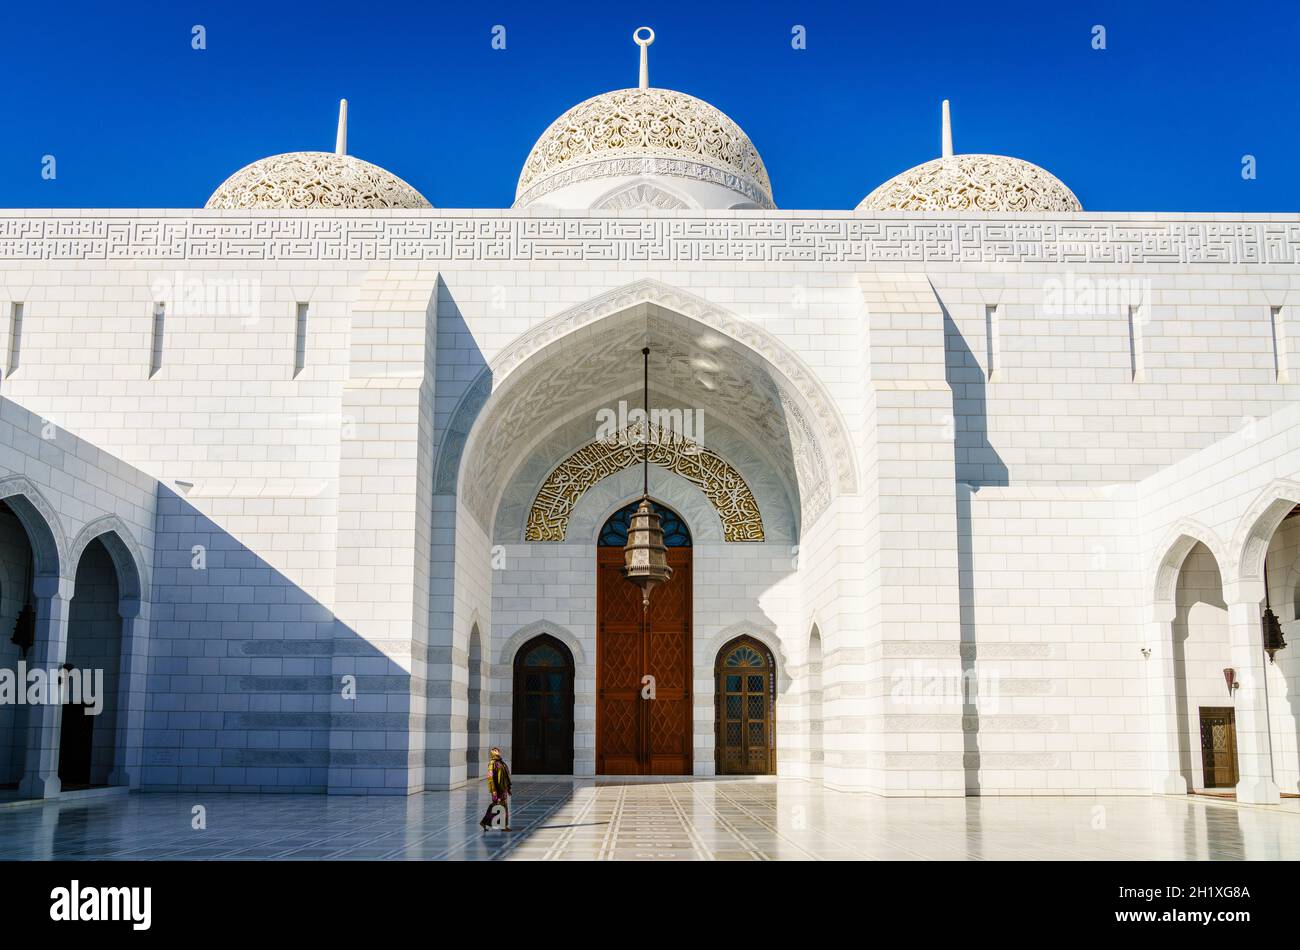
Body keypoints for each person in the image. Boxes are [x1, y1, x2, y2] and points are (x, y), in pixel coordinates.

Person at [479, 747, 512, 831]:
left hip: (503, 788)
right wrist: (493, 790)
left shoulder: (501, 763)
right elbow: (490, 778)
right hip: (497, 789)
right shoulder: (492, 763)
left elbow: (506, 777)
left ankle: (485, 822)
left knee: (499, 805)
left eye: (497, 750)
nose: (496, 751)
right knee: (500, 806)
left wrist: (508, 788)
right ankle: (502, 826)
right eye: (494, 750)